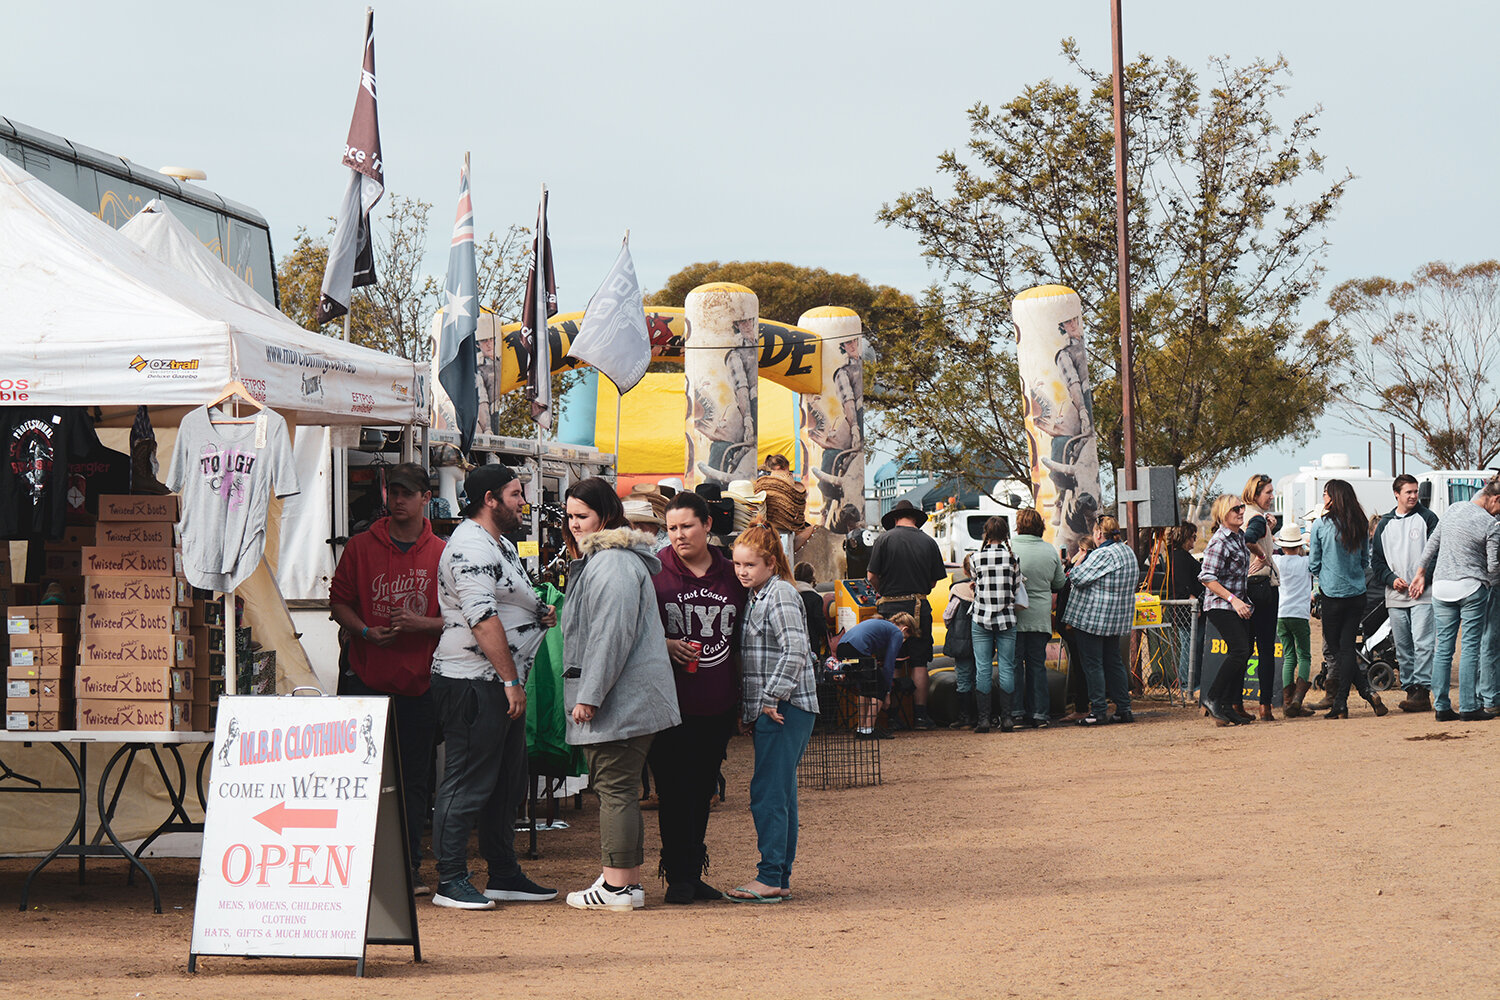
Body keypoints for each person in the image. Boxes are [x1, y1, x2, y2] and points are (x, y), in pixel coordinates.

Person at [429, 464, 557, 910]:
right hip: (474, 681)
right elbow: (481, 617)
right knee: (467, 781)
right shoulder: (468, 546)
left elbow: (507, 599)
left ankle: (503, 872)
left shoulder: (496, 542)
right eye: (516, 494)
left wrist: (539, 611)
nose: (523, 502)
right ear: (490, 499)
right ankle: (450, 878)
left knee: (505, 782)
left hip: (497, 683)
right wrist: (509, 680)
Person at [560, 478, 682, 911]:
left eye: (582, 516)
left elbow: (609, 636)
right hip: (630, 698)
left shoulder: (610, 563)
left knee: (614, 789)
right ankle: (623, 882)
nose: (574, 524)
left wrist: (589, 695)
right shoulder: (615, 559)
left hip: (618, 701)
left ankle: (616, 887)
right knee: (620, 789)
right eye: (570, 516)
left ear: (605, 515)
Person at [329, 463, 444, 896]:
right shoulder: (360, 547)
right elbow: (338, 601)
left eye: (406, 493)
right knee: (360, 779)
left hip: (419, 682)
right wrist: (363, 631)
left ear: (424, 498)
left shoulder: (441, 552)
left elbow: (459, 619)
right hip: (365, 678)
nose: (397, 500)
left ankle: (409, 867)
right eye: (392, 492)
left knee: (414, 780)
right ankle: (358, 866)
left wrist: (420, 625)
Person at [649, 490, 746, 905]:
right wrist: (664, 644)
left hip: (718, 701)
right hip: (668, 703)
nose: (679, 535)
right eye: (671, 528)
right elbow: (633, 631)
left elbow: (746, 638)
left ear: (707, 525)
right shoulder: (654, 572)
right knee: (672, 792)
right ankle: (678, 878)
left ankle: (692, 870)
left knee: (703, 789)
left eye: (687, 525)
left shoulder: (732, 574)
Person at [725, 522, 818, 903]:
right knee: (780, 794)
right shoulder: (762, 594)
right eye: (737, 565)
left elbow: (795, 649)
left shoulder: (778, 594)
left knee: (768, 793)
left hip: (784, 707)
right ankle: (777, 876)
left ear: (770, 562)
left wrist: (768, 699)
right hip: (782, 706)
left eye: (749, 564)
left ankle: (770, 876)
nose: (741, 571)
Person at [1408, 474, 1500, 722]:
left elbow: (1431, 545)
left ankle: (1441, 706)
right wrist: (1489, 582)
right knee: (1470, 648)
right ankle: (1469, 706)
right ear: (1495, 499)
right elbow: (1493, 566)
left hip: (1441, 588)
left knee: (1443, 649)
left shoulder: (1452, 509)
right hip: (1470, 588)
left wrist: (1420, 574)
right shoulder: (1491, 525)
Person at [1309, 480, 1388, 719]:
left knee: (1337, 648)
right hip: (1357, 592)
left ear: (1333, 497)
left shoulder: (1321, 525)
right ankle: (1364, 693)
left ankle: (1343, 702)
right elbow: (1365, 559)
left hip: (1333, 594)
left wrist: (1325, 574)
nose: (1323, 498)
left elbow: (1313, 562)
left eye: (1325, 494)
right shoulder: (1360, 523)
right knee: (1346, 648)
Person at [867, 499, 947, 730]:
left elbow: (872, 576)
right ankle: (920, 717)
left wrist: (885, 591)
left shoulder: (883, 539)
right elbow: (932, 582)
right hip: (919, 607)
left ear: (894, 518)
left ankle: (891, 716)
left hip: (888, 608)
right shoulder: (929, 542)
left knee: (889, 660)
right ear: (915, 518)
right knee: (920, 662)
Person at [1370, 474, 1439, 713]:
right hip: (1395, 595)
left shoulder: (1428, 518)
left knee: (1423, 642)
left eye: (1415, 491)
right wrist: (1391, 579)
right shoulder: (1384, 524)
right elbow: (1376, 562)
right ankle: (1411, 689)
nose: (1413, 495)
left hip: (1423, 593)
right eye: (1408, 492)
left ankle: (1423, 690)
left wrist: (1424, 579)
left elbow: (1437, 555)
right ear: (1396, 494)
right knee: (1403, 645)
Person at [1060, 515, 1138, 726]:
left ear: (1098, 534)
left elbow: (1076, 578)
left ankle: (1098, 711)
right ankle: (1124, 708)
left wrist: (1079, 560)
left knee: (1092, 665)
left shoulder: (1102, 554)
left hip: (1094, 618)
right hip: (1116, 618)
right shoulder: (1127, 551)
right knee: (1114, 663)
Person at [1198, 495, 1255, 726]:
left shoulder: (1239, 536)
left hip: (1238, 604)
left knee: (1245, 651)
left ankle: (1229, 705)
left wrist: (1260, 553)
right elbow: (1207, 578)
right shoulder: (1219, 541)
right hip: (1221, 605)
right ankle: (1212, 697)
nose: (1241, 511)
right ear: (1223, 513)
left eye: (1242, 507)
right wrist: (1234, 600)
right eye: (1235, 508)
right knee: (1240, 650)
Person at [1012, 508, 1067, 728]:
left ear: (1018, 525)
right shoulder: (1050, 550)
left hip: (1013, 617)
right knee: (1037, 666)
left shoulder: (1010, 547)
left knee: (1014, 666)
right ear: (1040, 527)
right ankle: (1039, 714)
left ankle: (1015, 713)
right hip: (1040, 617)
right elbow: (1059, 584)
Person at [969, 517, 1021, 733]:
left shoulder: (975, 558)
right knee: (1007, 667)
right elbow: (1016, 587)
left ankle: (983, 720)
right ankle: (1007, 718)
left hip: (981, 617)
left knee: (983, 668)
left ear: (986, 533)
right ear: (1006, 533)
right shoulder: (1013, 558)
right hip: (1007, 618)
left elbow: (976, 582)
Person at [1240, 474, 1281, 720]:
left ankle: (1236, 702)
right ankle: (1265, 705)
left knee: (1243, 648)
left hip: (1244, 588)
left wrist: (1268, 531)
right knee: (1265, 649)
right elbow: (1249, 539)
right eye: (1268, 492)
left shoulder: (1242, 514)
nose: (1272, 496)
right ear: (1256, 494)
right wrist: (1262, 556)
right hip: (1263, 586)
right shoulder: (1255, 517)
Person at [836, 613, 915, 738]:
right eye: (905, 638)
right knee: (880, 685)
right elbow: (889, 665)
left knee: (865, 687)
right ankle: (869, 729)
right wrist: (887, 693)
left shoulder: (884, 625)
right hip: (858, 650)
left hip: (842, 650)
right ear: (904, 629)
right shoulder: (896, 632)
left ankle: (861, 729)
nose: (902, 641)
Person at [1271, 522, 1314, 717]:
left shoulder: (1277, 561)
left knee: (1289, 656)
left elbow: (1268, 551)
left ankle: (1287, 702)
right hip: (1300, 614)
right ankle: (1298, 699)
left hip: (1281, 613)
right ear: (1298, 545)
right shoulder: (1306, 563)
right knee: (1304, 655)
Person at [1161, 523, 1203, 693]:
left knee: (1189, 643)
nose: (1195, 540)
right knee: (1189, 644)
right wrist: (1191, 599)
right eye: (1193, 536)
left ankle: (1189, 681)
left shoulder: (1175, 556)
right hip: (1187, 609)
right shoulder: (1180, 557)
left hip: (1185, 608)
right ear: (1185, 537)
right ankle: (1187, 682)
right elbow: (1181, 583)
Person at [942, 556, 978, 730]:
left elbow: (948, 615)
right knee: (980, 676)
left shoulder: (958, 590)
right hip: (981, 641)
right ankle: (981, 715)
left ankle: (965, 717)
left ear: (964, 570)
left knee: (963, 677)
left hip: (961, 642)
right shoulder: (985, 587)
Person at [793, 561, 830, 661]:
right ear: (811, 578)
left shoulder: (790, 594)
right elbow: (819, 622)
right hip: (811, 642)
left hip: (793, 641)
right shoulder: (814, 598)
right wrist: (827, 635)